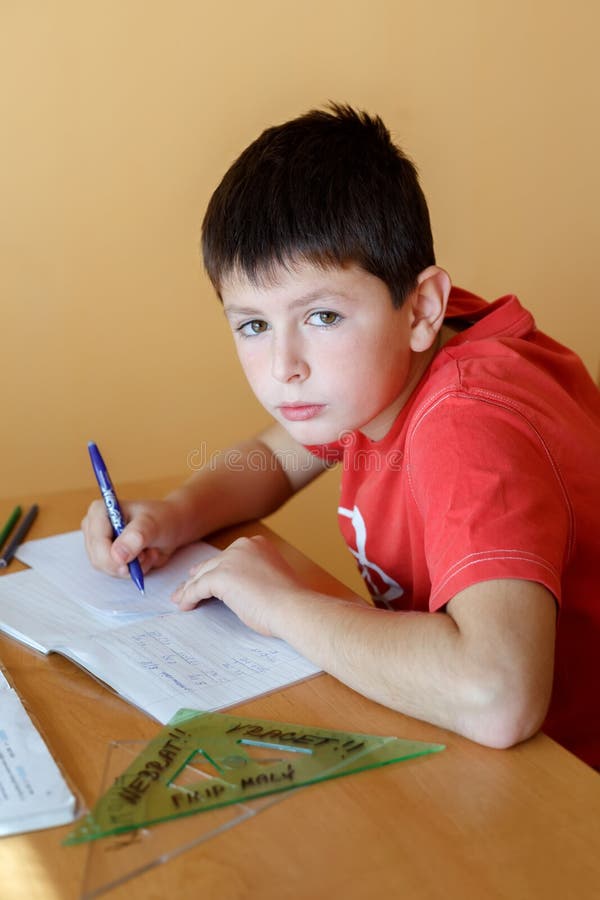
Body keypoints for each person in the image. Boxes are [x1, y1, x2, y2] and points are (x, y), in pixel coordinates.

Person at [82, 104, 600, 767]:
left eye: (321, 315)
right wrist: (175, 516)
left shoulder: (468, 423)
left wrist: (285, 607)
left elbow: (497, 696)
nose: (284, 365)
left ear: (421, 308)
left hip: (565, 786)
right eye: (252, 325)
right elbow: (273, 456)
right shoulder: (395, 358)